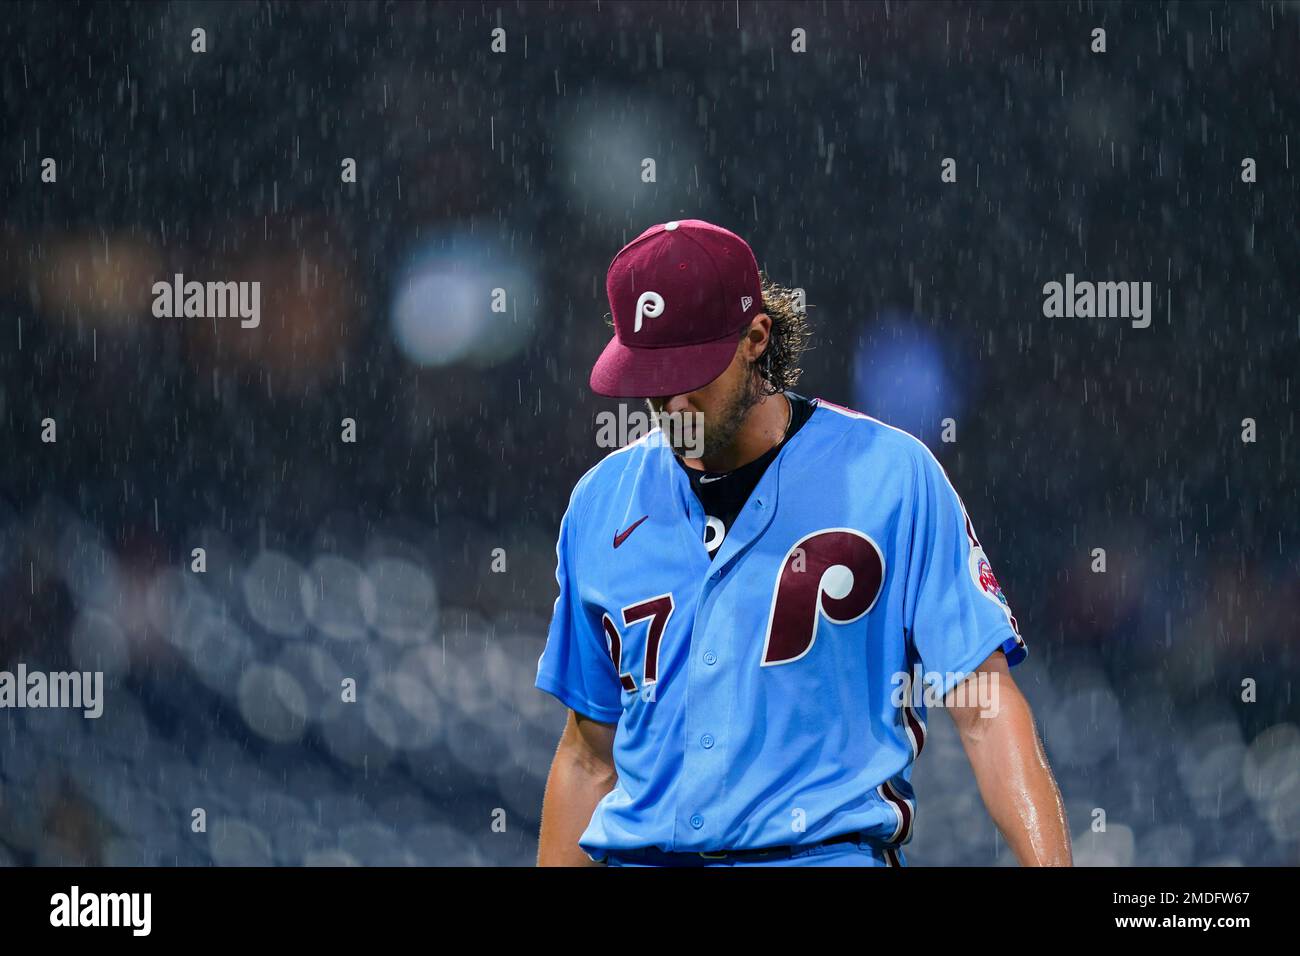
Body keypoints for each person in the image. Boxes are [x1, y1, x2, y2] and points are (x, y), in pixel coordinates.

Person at [535, 219, 1071, 867]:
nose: (670, 398)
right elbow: (588, 757)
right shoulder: (601, 502)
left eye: (690, 370)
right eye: (651, 374)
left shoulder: (890, 477)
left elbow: (984, 711)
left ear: (755, 337)